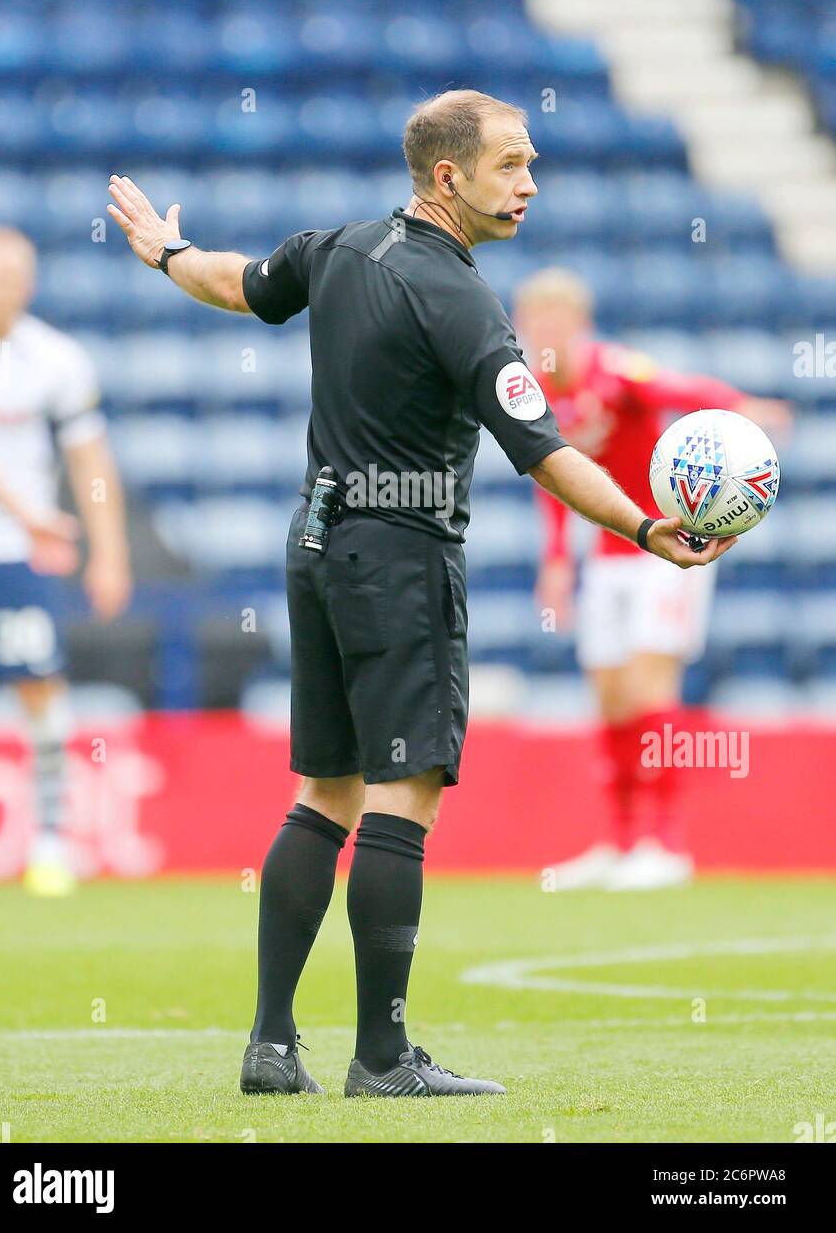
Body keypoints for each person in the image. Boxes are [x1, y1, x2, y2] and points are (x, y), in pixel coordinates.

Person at [108, 89, 736, 1099]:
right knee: (404, 798)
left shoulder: (339, 247)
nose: (530, 183)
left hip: (315, 545)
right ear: (449, 176)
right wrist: (644, 527)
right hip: (401, 563)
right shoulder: (460, 299)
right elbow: (542, 450)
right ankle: (384, 1058)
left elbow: (241, 285)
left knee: (323, 793)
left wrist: (169, 257)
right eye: (511, 164)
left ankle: (272, 1047)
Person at [515, 268, 791, 890]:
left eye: (555, 323)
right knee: (610, 696)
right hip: (607, 561)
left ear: (578, 325)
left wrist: (739, 406)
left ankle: (666, 845)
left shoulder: (615, 371)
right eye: (534, 325)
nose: (543, 335)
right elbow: (555, 484)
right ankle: (618, 841)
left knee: (648, 686)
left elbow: (680, 388)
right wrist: (557, 559)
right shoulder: (537, 396)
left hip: (665, 554)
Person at [0, 226, 132, 897]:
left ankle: (51, 840)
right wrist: (28, 512)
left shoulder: (57, 360)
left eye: (10, 275)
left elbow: (90, 463)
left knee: (39, 689)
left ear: (29, 283)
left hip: (13, 558)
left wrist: (108, 553)